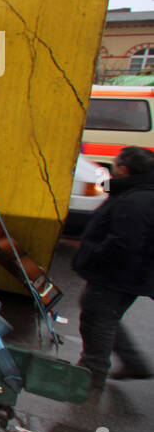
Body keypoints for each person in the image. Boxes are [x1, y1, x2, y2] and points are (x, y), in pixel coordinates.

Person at [73, 145, 154, 384]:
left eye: (116, 163)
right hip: (131, 274)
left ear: (125, 169)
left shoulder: (135, 201)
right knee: (106, 316)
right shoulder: (136, 191)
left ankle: (91, 372)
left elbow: (124, 243)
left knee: (97, 318)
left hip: (117, 274)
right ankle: (133, 363)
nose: (112, 166)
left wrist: (93, 255)